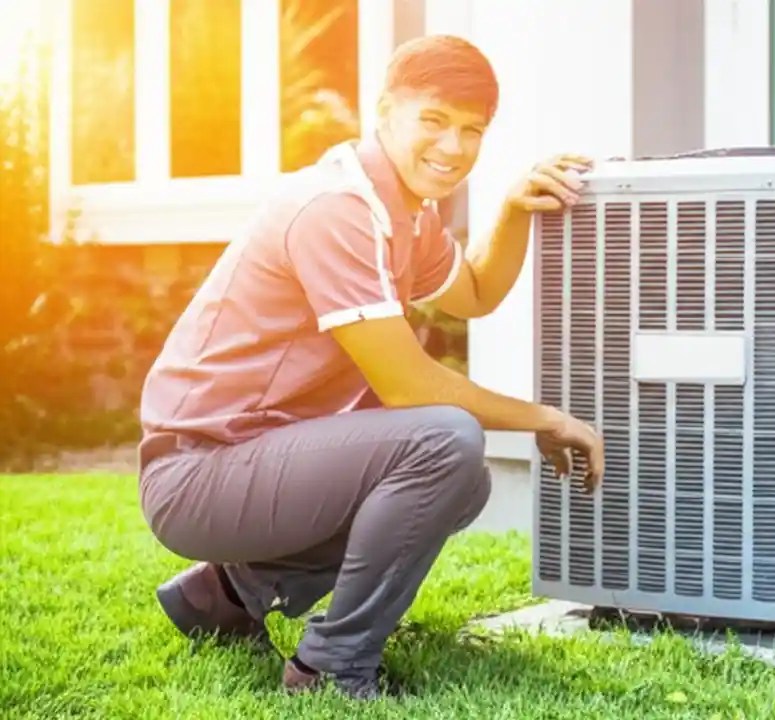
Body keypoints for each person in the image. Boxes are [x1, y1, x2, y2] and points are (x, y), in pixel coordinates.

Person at [136, 34, 605, 699]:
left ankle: (227, 594)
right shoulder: (339, 209)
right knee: (443, 440)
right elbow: (407, 383)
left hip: (252, 457)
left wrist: (510, 207)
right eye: (434, 121)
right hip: (199, 472)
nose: (453, 148)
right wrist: (546, 418)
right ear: (385, 109)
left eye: (472, 131)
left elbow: (472, 294)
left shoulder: (404, 214)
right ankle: (333, 665)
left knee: (462, 477)